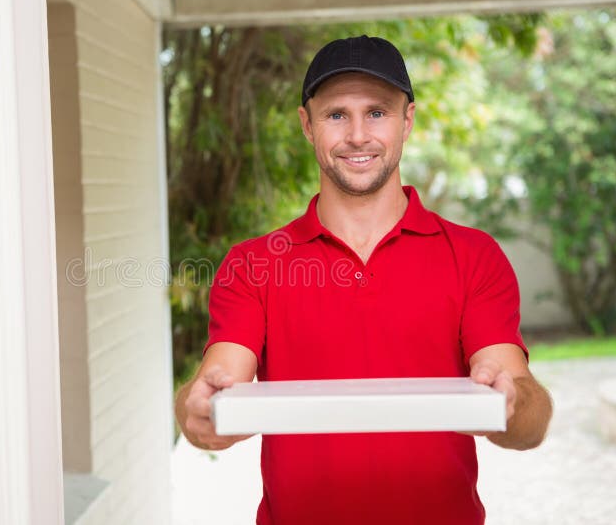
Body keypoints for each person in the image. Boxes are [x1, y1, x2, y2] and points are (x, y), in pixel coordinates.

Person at [174, 35, 553, 525]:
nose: (357, 135)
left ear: (407, 121)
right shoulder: (254, 265)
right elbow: (216, 384)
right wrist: (197, 407)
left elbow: (526, 420)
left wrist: (511, 402)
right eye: (337, 115)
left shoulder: (473, 257)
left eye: (377, 112)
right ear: (307, 124)